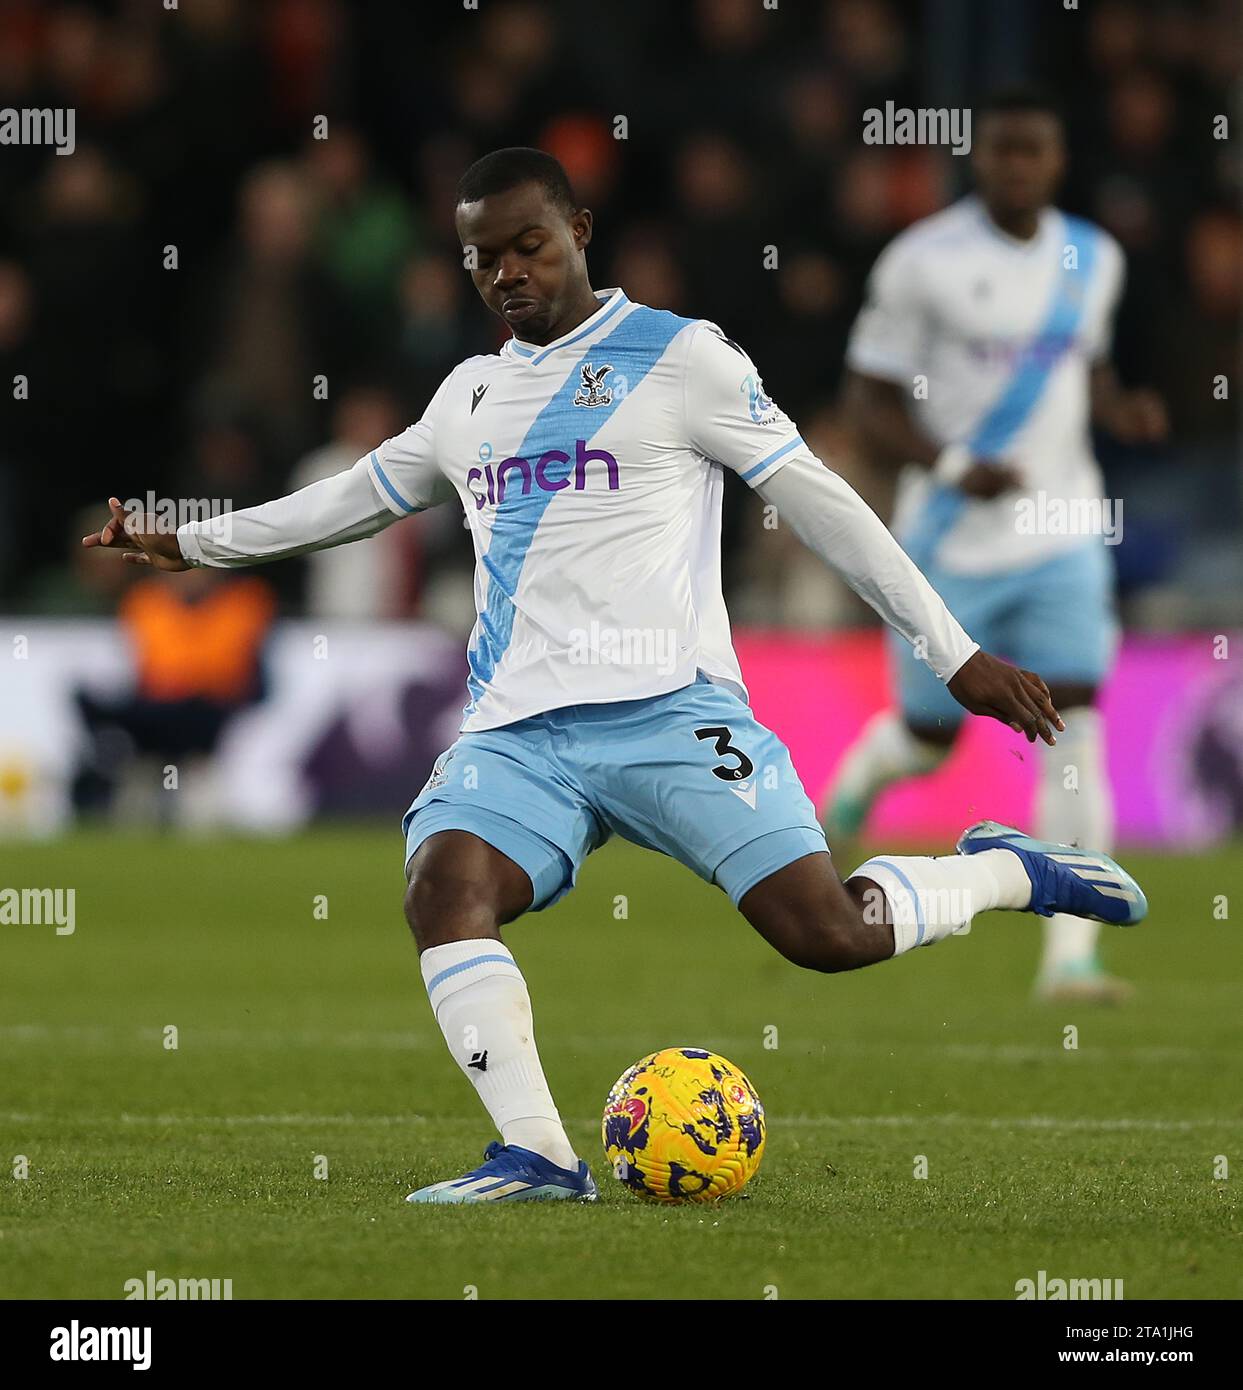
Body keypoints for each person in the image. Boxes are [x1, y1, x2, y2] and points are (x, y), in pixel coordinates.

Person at [84, 147, 1147, 1205]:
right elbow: (351, 498)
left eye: (529, 245)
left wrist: (949, 652)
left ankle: (1005, 871)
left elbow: (825, 503)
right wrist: (190, 541)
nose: (508, 273)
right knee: (443, 886)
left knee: (825, 935)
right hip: (519, 735)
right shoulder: (469, 396)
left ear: (579, 231)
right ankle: (539, 1156)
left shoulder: (682, 359)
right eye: (482, 258)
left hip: (671, 713)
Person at [823, 89, 1167, 1005]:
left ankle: (1070, 961)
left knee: (1074, 721)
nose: (1019, 166)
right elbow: (867, 401)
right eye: (1003, 150)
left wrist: (1117, 407)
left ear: (1057, 158)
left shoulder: (1093, 258)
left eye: (1036, 150)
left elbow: (1081, 367)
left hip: (1061, 531)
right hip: (945, 541)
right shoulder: (919, 261)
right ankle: (857, 785)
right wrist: (947, 464)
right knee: (929, 740)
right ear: (978, 158)